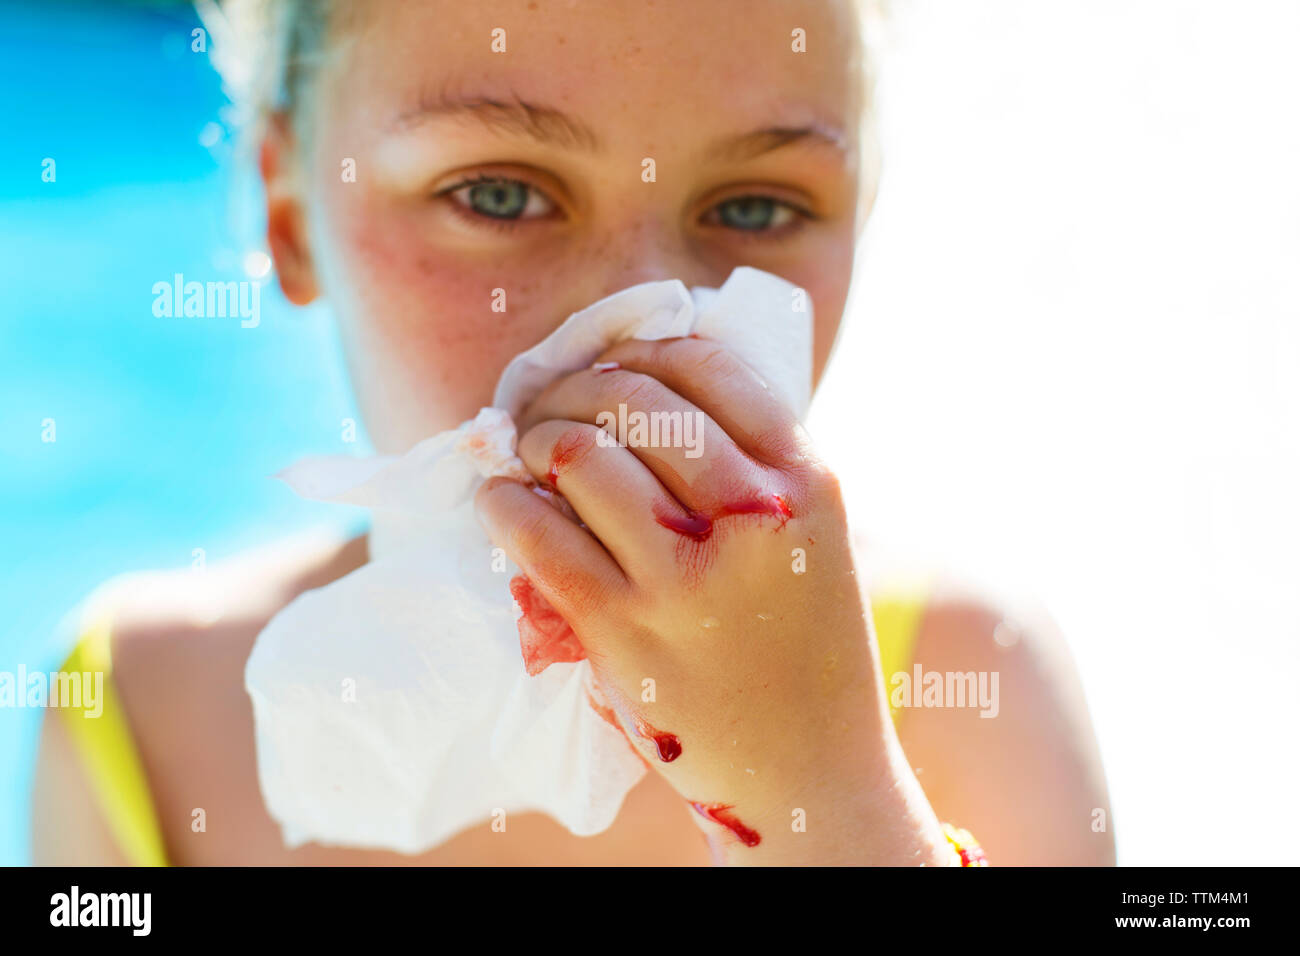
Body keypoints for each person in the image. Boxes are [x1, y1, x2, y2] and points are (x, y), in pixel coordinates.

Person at [31, 0, 1114, 866]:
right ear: (288, 215)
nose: (635, 328)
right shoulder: (140, 708)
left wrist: (821, 798)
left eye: (753, 209)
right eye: (499, 193)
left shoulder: (964, 686)